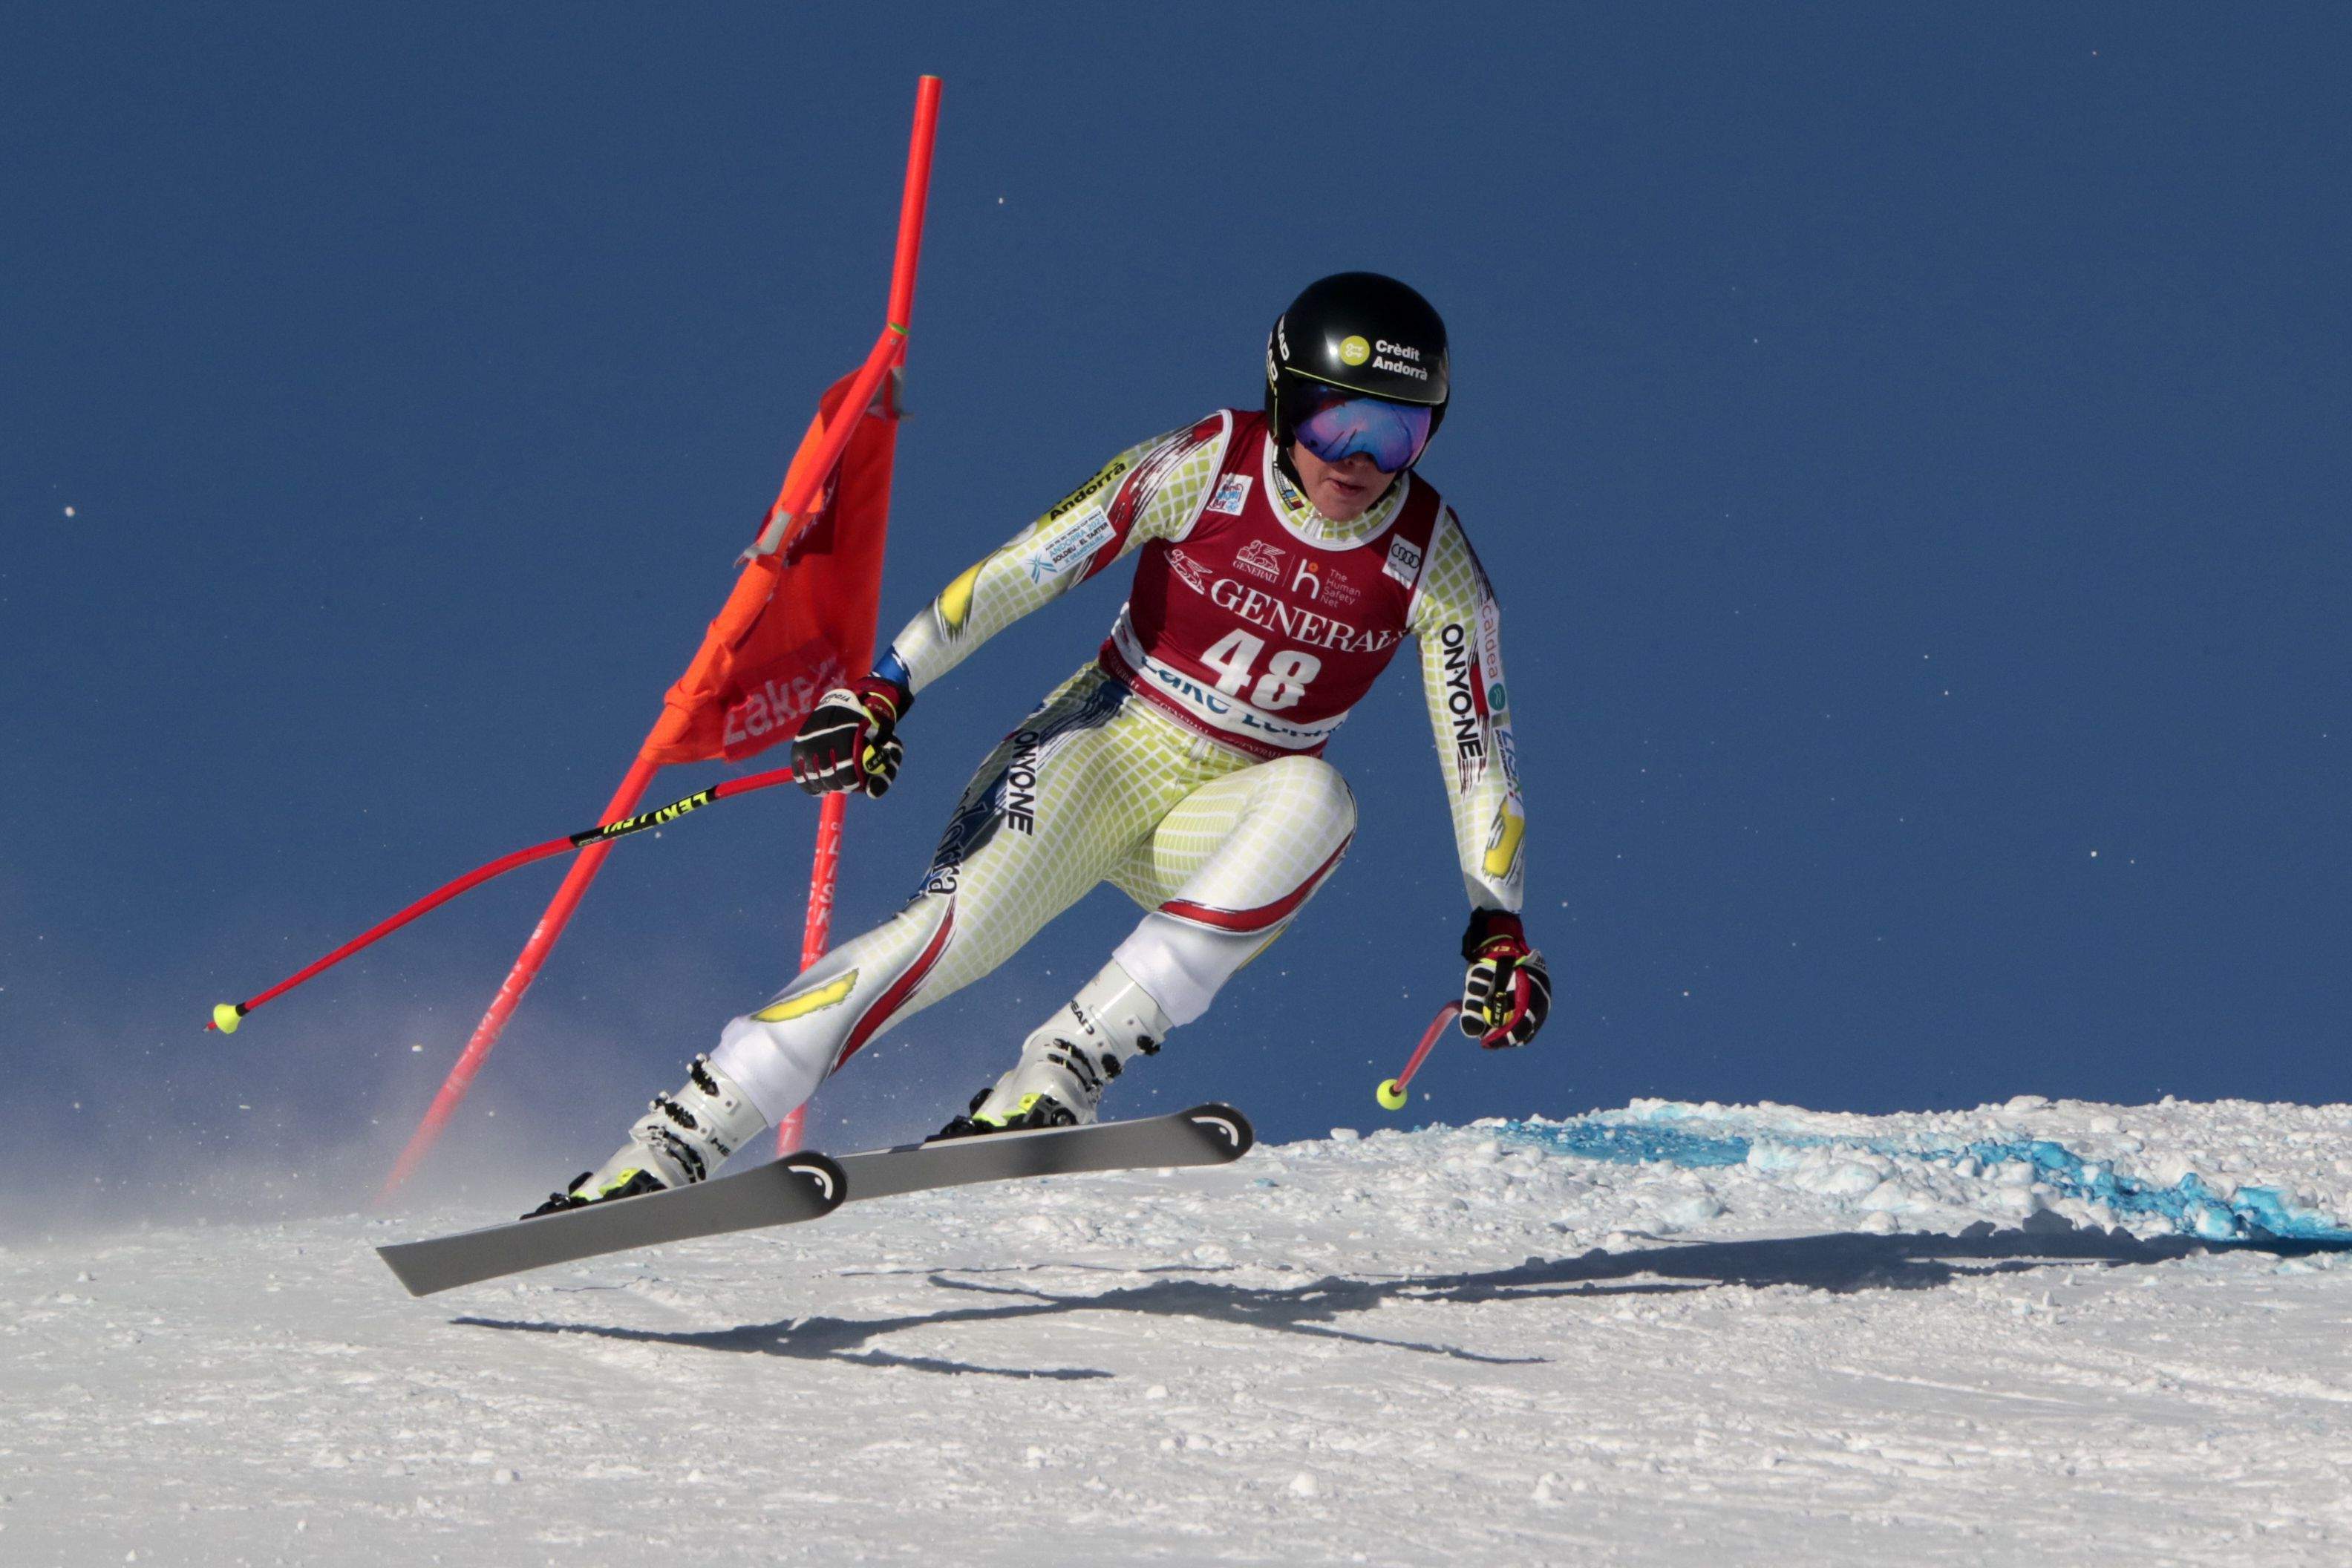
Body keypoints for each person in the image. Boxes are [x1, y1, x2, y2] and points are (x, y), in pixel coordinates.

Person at [534, 272, 1549, 1213]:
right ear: (1286, 404)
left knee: (1320, 806)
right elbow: (1025, 568)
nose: (1360, 464)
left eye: (1398, 436)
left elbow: (1478, 745)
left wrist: (1496, 927)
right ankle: (669, 1147)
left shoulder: (1431, 559)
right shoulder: (1207, 464)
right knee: (940, 943)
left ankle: (1056, 1074)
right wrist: (886, 688)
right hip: (1106, 751)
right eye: (1340, 423)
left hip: (1218, 817)